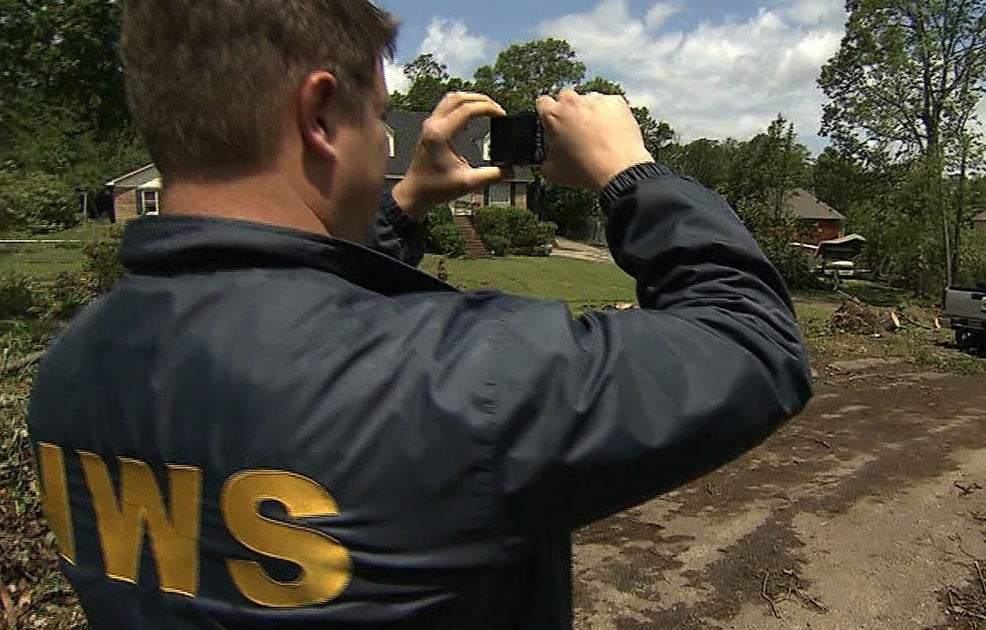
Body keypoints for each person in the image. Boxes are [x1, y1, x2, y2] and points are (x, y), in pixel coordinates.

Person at [25, 1, 813, 628]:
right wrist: (630, 173)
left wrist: (403, 204)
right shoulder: (459, 379)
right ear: (322, 115)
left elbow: (303, 317)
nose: (386, 144)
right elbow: (751, 342)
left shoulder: (71, 372)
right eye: (379, 119)